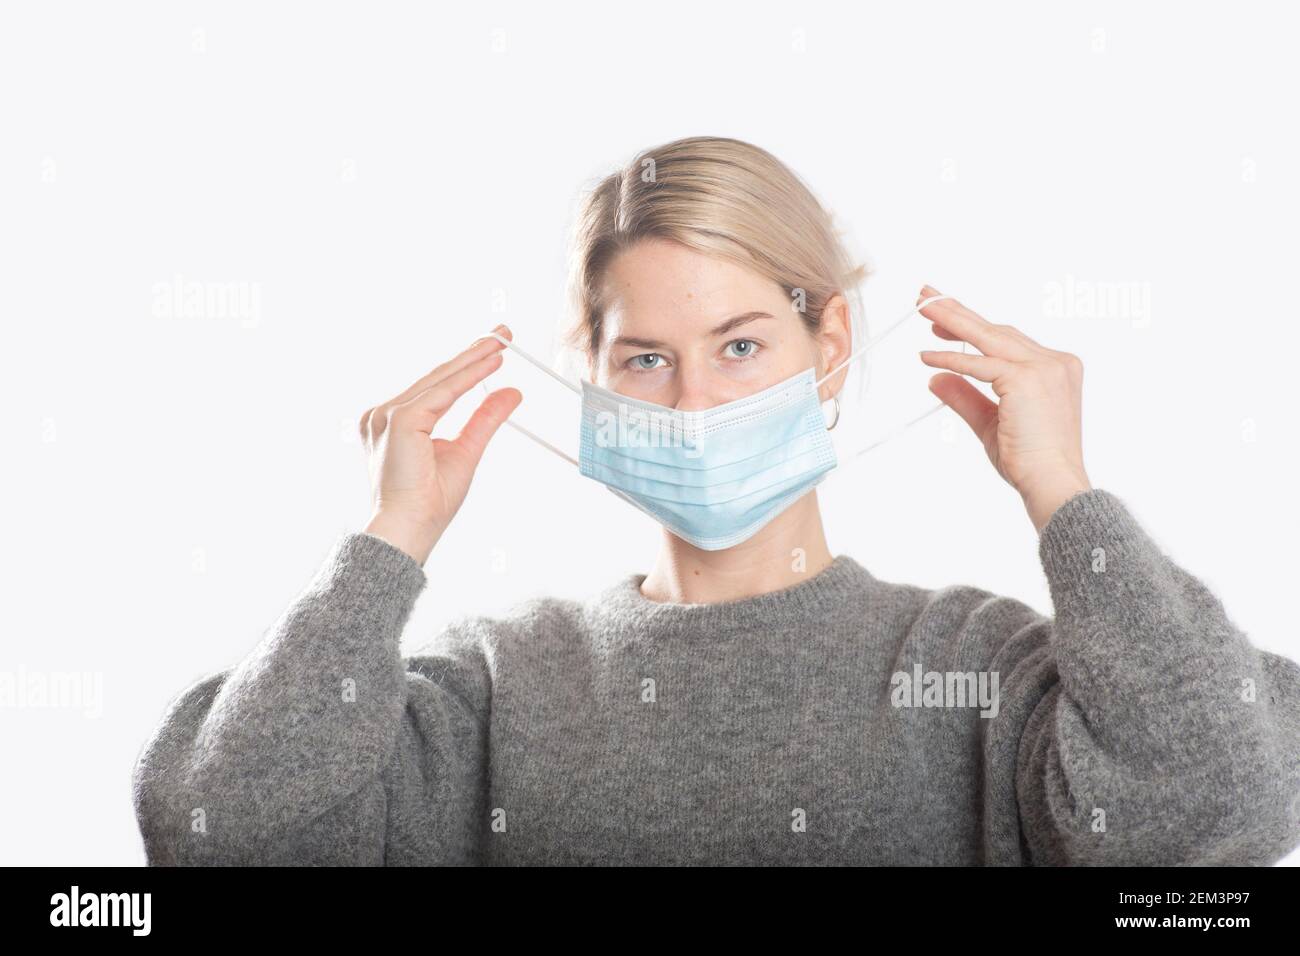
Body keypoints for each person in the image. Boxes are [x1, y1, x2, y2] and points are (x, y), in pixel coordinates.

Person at [132, 136, 1300, 865]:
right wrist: (387, 546)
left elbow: (1214, 812)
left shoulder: (981, 665)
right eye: (644, 359)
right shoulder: (495, 685)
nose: (692, 402)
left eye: (740, 345)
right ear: (587, 378)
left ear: (828, 344)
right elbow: (218, 836)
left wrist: (1065, 496)